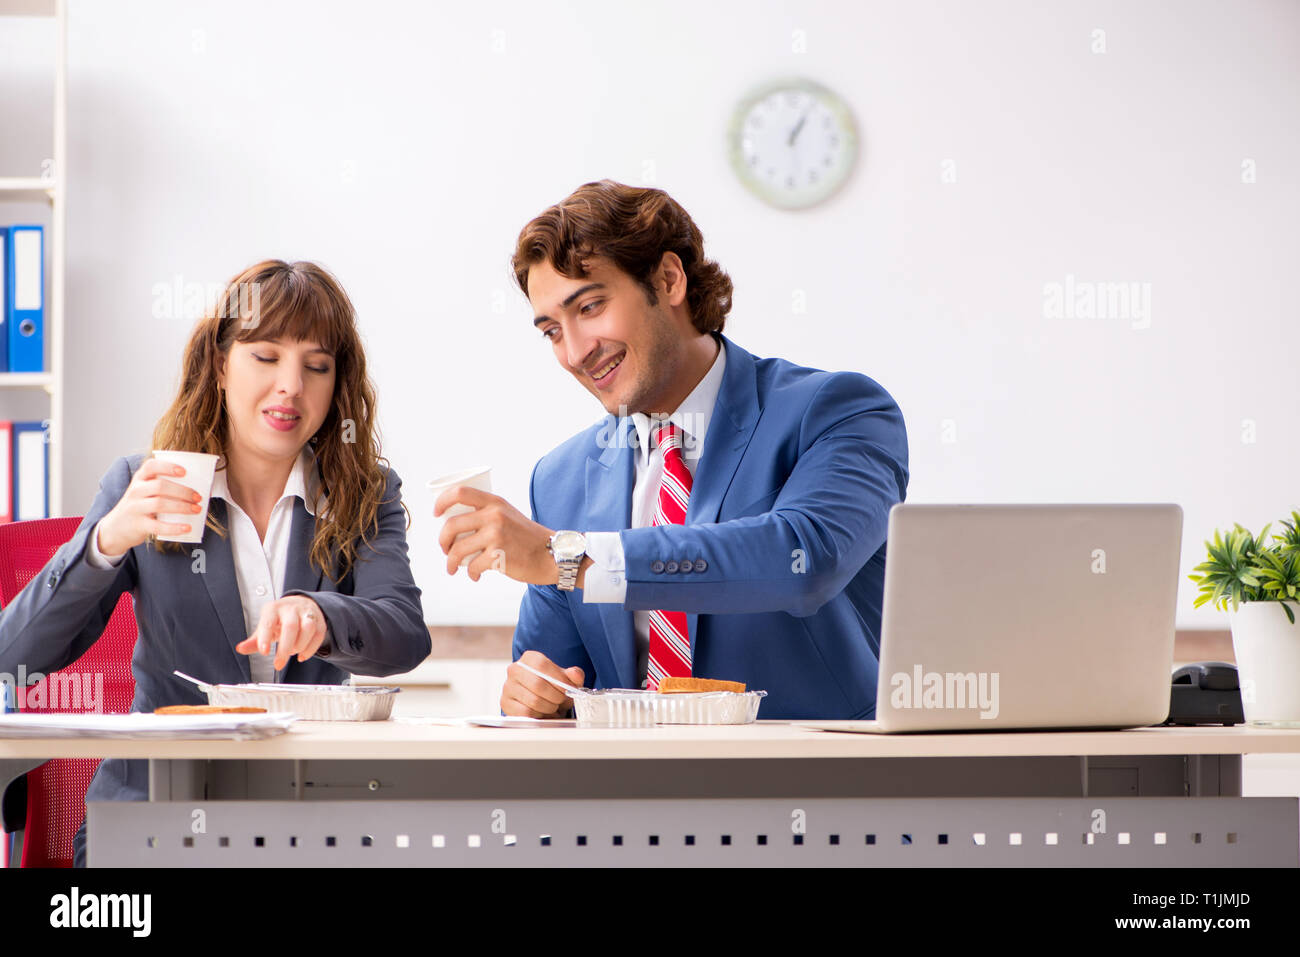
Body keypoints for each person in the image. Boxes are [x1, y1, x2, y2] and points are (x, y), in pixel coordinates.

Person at [0, 260, 429, 866]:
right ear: (221, 366)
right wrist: (105, 541)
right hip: (154, 822)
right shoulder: (142, 484)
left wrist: (322, 614)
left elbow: (404, 635)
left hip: (308, 825)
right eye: (265, 356)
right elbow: (11, 657)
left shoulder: (364, 490)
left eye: (316, 366)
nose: (291, 387)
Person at [433, 180, 908, 720]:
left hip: (819, 785)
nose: (575, 352)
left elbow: (803, 559)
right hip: (638, 792)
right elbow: (559, 674)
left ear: (668, 279)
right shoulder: (560, 479)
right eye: (551, 331)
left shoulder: (836, 411)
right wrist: (539, 693)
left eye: (590, 306)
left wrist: (568, 557)